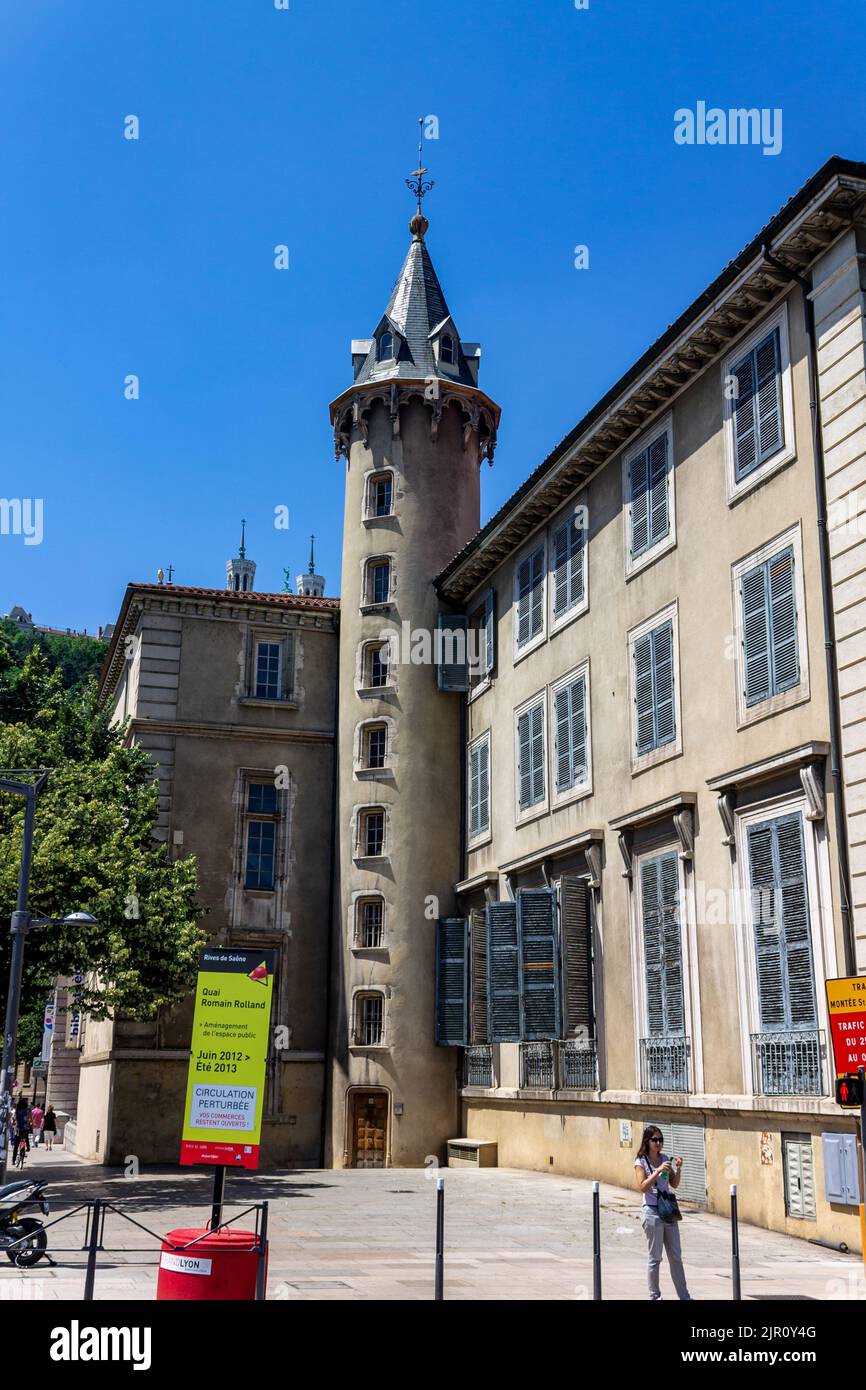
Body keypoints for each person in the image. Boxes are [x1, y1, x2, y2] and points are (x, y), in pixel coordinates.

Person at [634, 1125, 692, 1301]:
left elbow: (673, 1184)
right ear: (647, 1141)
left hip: (668, 1212)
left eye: (661, 1140)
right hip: (651, 1211)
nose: (658, 1143)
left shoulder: (665, 1158)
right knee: (655, 1257)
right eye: (655, 1140)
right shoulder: (641, 1161)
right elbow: (642, 1186)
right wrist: (658, 1171)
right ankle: (655, 1296)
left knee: (676, 1256)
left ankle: (684, 1296)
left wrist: (678, 1168)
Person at [12, 1096, 31, 1166]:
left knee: (16, 1146)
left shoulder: (16, 1111)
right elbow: (30, 1118)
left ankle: (13, 1160)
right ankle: (28, 1148)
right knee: (26, 1138)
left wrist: (14, 1123)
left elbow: (13, 1120)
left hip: (18, 1130)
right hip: (25, 1129)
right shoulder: (27, 1111)